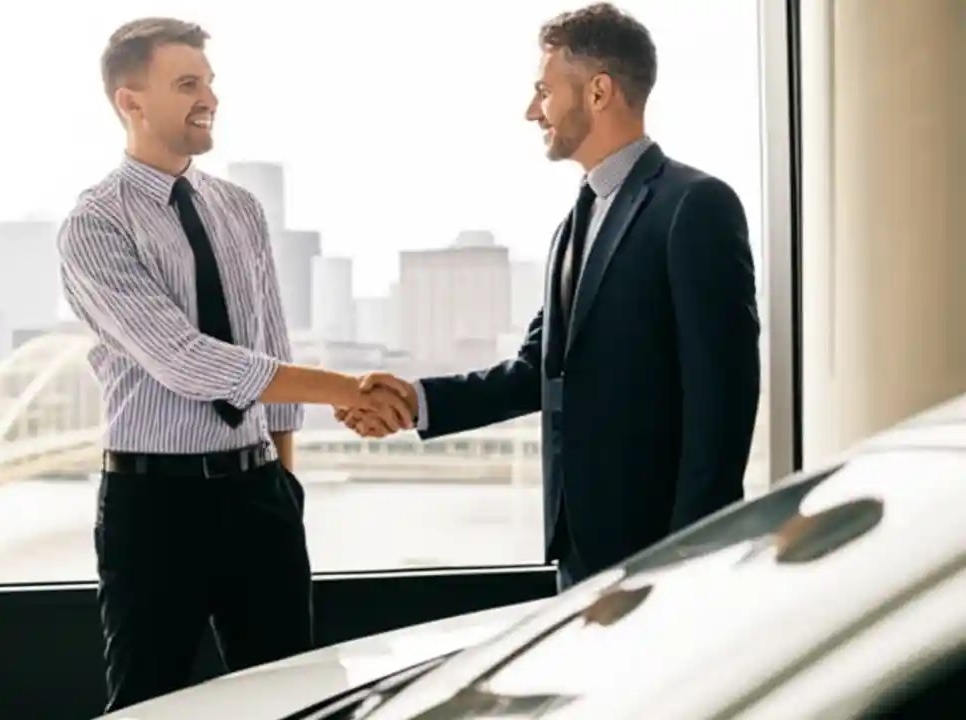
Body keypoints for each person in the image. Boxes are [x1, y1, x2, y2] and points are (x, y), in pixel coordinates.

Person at [338, 2, 760, 592]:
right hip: (578, 553)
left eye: (544, 90)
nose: (532, 110)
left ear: (598, 91)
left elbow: (723, 400)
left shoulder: (695, 206)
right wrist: (416, 400)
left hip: (663, 556)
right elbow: (537, 372)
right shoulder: (571, 228)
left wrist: (692, 558)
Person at [57, 17, 411, 712]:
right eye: (187, 84)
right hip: (155, 507)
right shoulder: (95, 224)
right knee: (146, 705)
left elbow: (267, 344)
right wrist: (347, 389)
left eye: (210, 83)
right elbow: (186, 361)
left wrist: (281, 480)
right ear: (130, 101)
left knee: (293, 699)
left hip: (258, 496)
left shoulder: (239, 209)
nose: (209, 98)